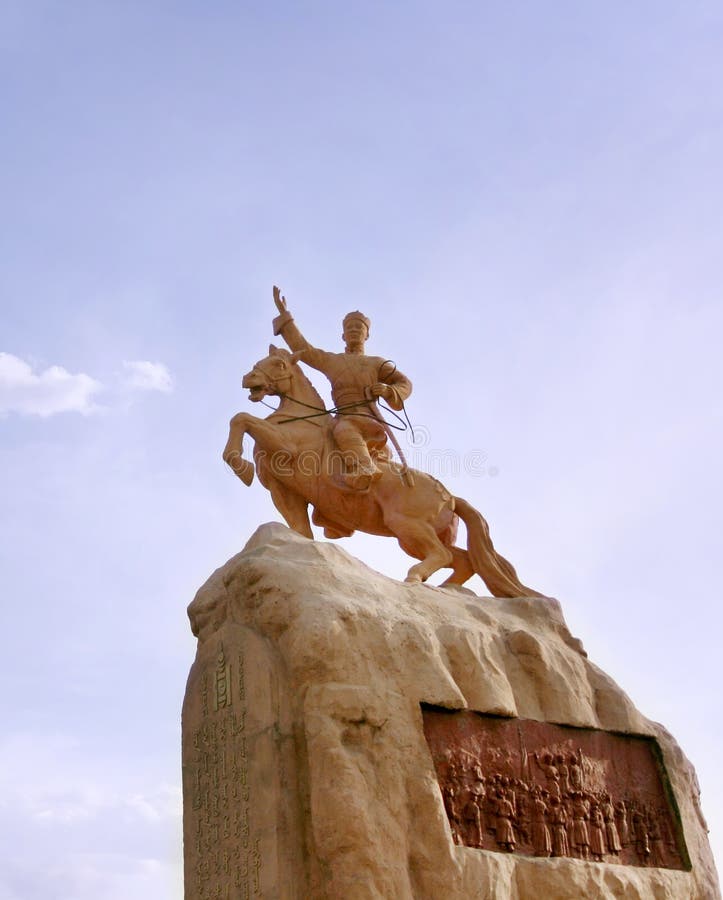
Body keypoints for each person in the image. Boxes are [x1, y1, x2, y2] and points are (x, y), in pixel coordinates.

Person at [272, 287, 412, 489]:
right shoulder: (333, 361)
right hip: (340, 418)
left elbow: (404, 383)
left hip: (365, 419)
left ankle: (365, 467)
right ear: (343, 335)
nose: (354, 330)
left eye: (359, 327)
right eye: (350, 328)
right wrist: (285, 316)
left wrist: (388, 390)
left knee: (344, 429)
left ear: (367, 335)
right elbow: (304, 349)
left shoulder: (376, 363)